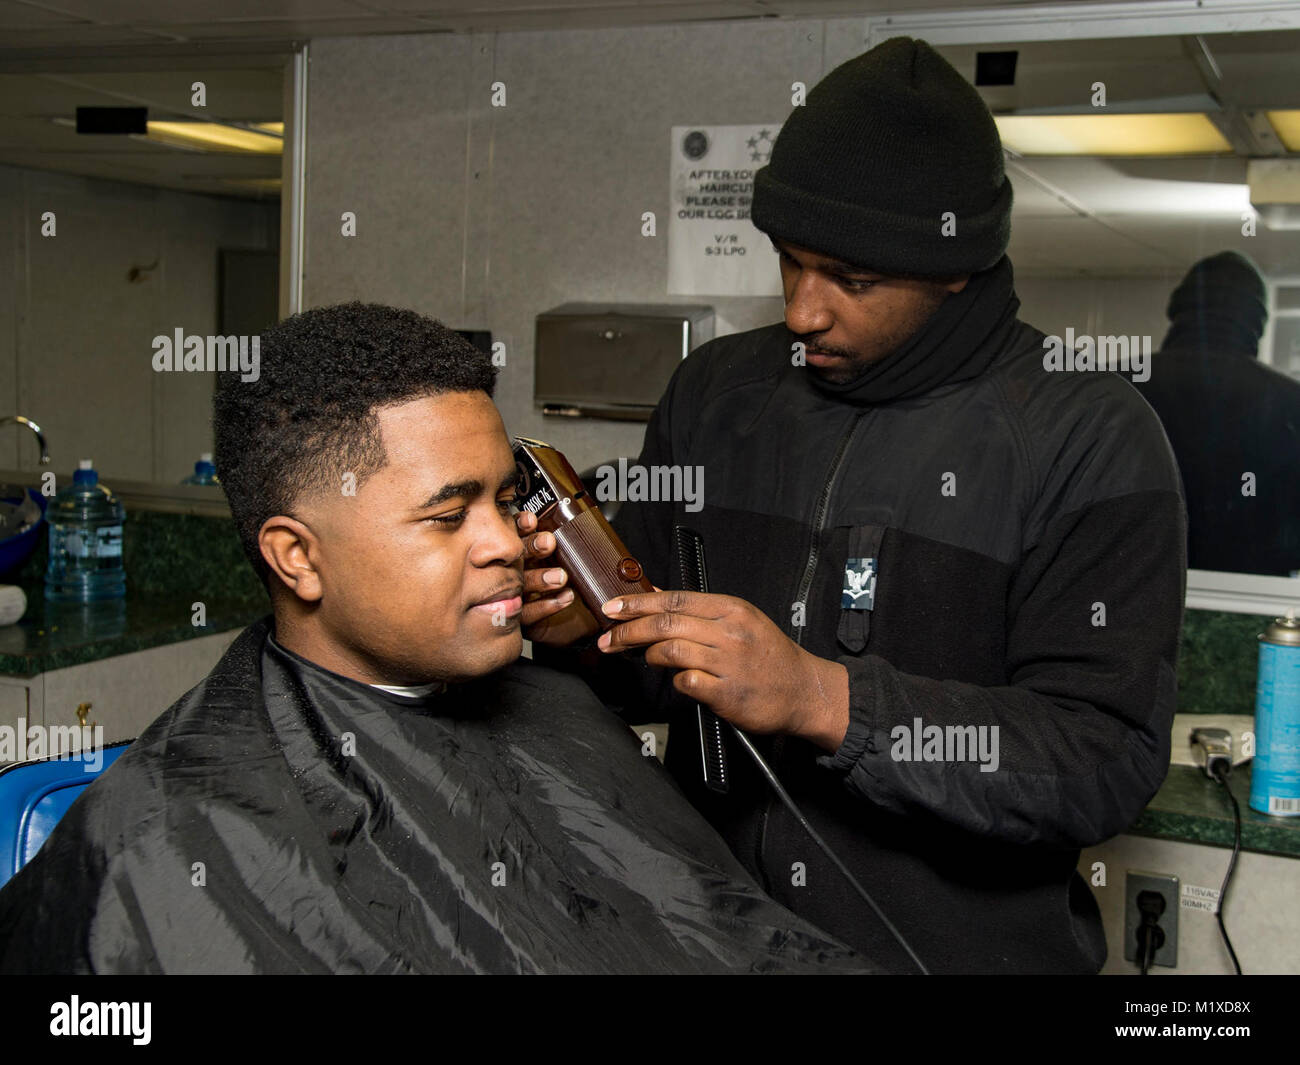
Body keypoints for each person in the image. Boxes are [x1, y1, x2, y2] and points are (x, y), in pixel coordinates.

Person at [523, 37, 1186, 974]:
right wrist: (570, 627)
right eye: (789, 263)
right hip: (707, 945)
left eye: (852, 279)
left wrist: (822, 699)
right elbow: (641, 659)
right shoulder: (717, 396)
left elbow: (1102, 757)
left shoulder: (1091, 435)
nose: (801, 311)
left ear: (955, 268)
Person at [0, 302, 870, 975]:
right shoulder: (169, 840)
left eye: (502, 498)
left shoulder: (547, 703)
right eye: (449, 515)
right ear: (297, 557)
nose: (504, 542)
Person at [1130, 250, 1300, 576]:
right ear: (1257, 321)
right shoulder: (1291, 402)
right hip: (1244, 602)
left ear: (1177, 307)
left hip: (1127, 589)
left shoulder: (1113, 385)